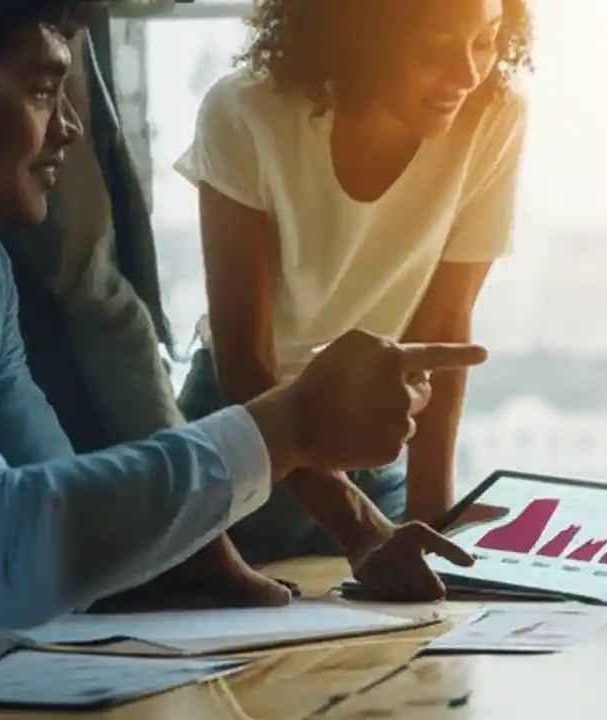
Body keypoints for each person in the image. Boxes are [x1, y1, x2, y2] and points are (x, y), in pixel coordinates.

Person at [0, 0, 484, 630]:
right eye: (43, 89)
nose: (72, 127)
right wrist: (291, 423)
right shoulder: (244, 113)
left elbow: (51, 507)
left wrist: (183, 550)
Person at [172, 0, 531, 598]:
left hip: (373, 436)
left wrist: (430, 521)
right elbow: (244, 363)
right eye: (436, 47)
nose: (467, 73)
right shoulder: (245, 111)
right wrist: (359, 526)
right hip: (247, 431)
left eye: (486, 42)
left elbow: (441, 341)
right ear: (358, 34)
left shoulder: (492, 115)